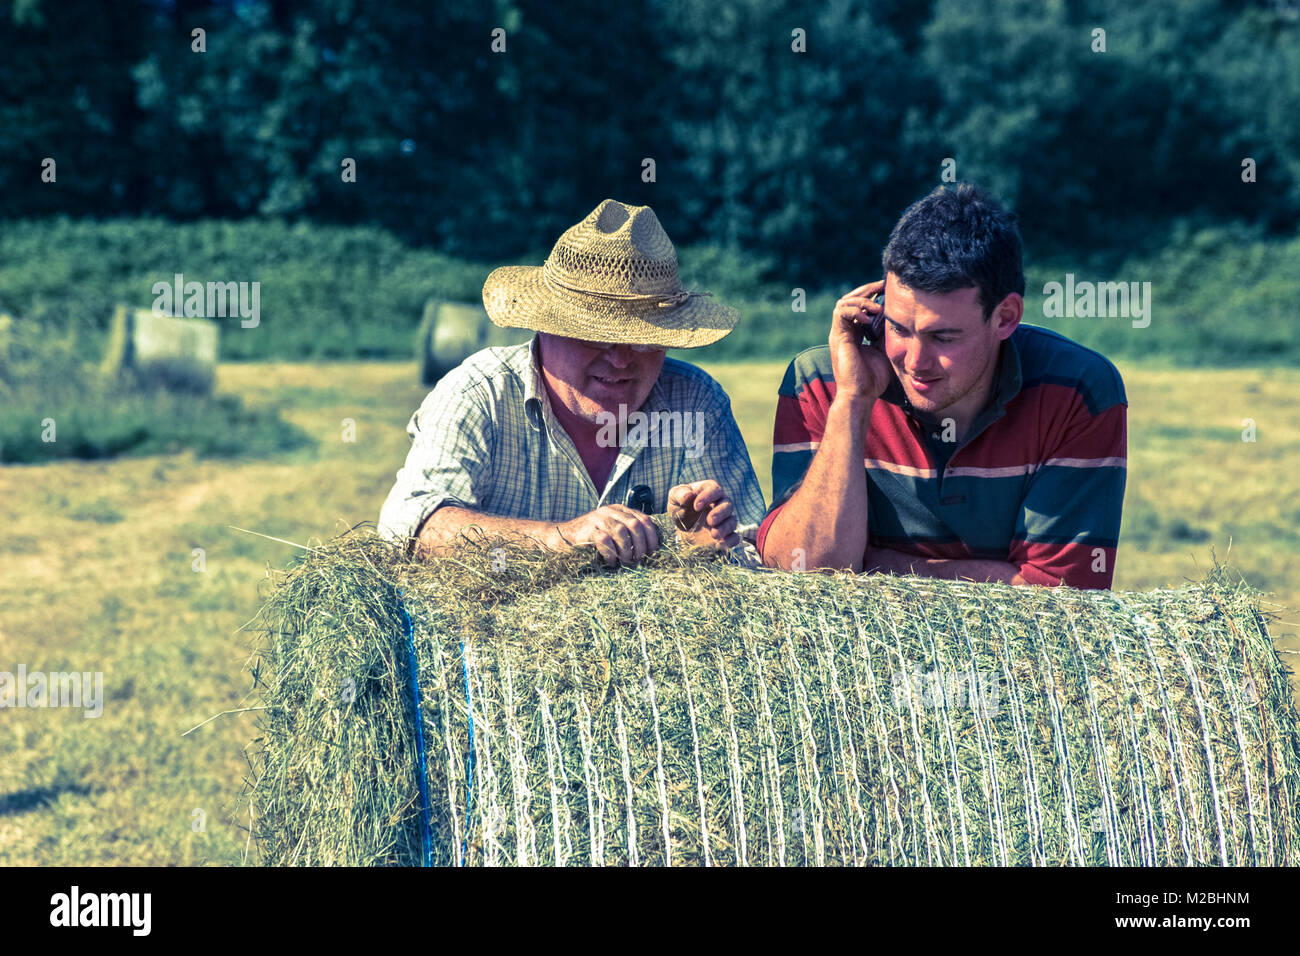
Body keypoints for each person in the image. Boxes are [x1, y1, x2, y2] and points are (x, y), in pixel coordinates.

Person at [758, 183, 1127, 588]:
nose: (914, 362)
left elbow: (1063, 598)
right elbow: (803, 575)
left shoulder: (1079, 391)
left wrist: (867, 566)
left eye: (943, 338)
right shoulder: (821, 381)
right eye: (898, 328)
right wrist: (852, 401)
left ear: (1005, 317)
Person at [378, 198, 767, 567]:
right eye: (595, 336)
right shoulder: (479, 395)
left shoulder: (698, 403)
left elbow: (759, 558)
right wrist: (560, 538)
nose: (620, 358)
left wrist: (707, 552)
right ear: (547, 326)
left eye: (645, 340)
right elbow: (412, 528)